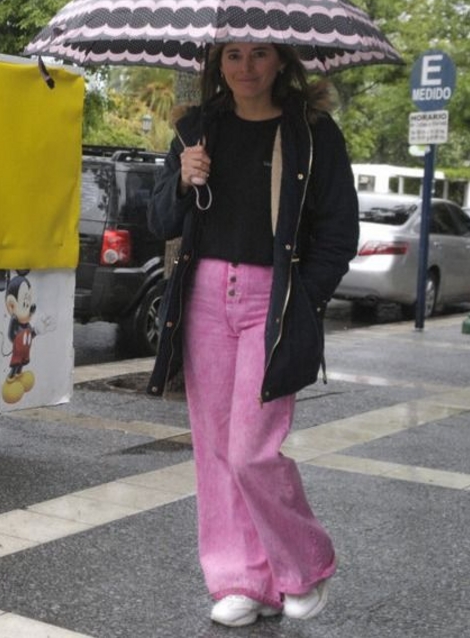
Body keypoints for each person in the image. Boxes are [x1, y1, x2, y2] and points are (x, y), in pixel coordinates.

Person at [145, 42, 359, 628]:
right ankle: (242, 579)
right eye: (233, 55)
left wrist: (304, 301)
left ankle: (305, 567)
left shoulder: (313, 134)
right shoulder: (196, 130)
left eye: (259, 54)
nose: (246, 67)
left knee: (251, 452)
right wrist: (181, 182)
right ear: (219, 64)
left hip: (274, 300)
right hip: (207, 298)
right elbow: (159, 220)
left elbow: (341, 231)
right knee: (216, 453)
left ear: (281, 61)